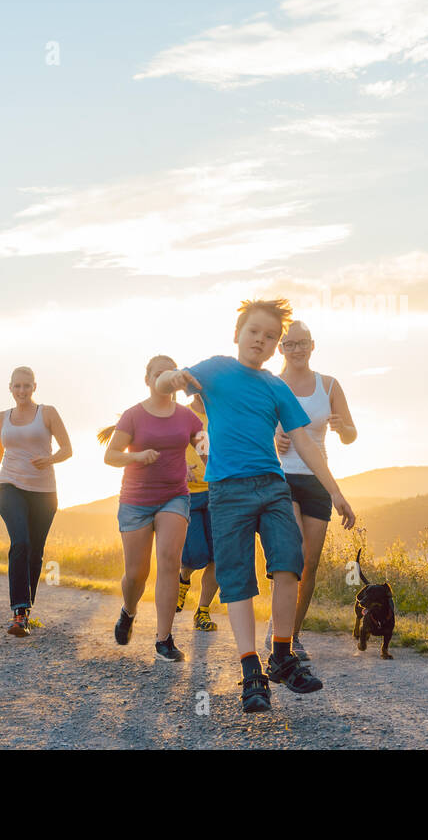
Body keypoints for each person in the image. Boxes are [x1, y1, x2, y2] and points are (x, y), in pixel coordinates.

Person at [154, 299, 355, 713]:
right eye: (254, 332)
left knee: (290, 563)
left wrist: (335, 491)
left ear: (275, 346)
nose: (261, 341)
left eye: (270, 337)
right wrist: (171, 377)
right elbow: (163, 387)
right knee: (238, 579)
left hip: (273, 486)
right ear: (238, 334)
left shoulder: (276, 387)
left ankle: (281, 655)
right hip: (227, 491)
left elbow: (304, 442)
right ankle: (251, 671)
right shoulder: (215, 369)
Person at [99, 355, 203, 663]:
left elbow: (206, 449)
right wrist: (136, 456)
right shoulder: (133, 415)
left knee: (170, 561)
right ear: (148, 380)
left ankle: (164, 639)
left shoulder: (187, 417)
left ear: (175, 380)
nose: (164, 379)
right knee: (136, 573)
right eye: (158, 374)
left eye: (170, 374)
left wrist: (210, 472)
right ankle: (128, 611)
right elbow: (111, 455)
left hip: (175, 497)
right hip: (135, 501)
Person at [271, 320, 357, 660]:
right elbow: (257, 430)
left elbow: (351, 436)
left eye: (301, 343)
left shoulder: (330, 385)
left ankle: (292, 636)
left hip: (318, 479)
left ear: (312, 345)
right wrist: (271, 438)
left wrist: (342, 427)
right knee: (292, 554)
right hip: (281, 477)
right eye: (289, 344)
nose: (296, 349)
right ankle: (278, 632)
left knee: (311, 561)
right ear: (280, 349)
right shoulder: (272, 385)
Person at [0, 366, 73, 637]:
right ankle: (19, 613)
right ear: (10, 387)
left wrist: (50, 459)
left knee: (35, 551)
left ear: (34, 387)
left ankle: (26, 610)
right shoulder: (1, 418)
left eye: (26, 386)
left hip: (44, 491)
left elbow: (67, 449)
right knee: (20, 541)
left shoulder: (48, 413)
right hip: (9, 485)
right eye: (17, 386)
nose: (21, 391)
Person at [176, 394, 219, 632]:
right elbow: (167, 448)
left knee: (217, 557)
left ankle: (202, 611)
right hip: (186, 493)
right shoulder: (180, 415)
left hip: (217, 491)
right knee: (195, 554)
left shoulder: (220, 415)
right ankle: (182, 582)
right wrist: (179, 468)